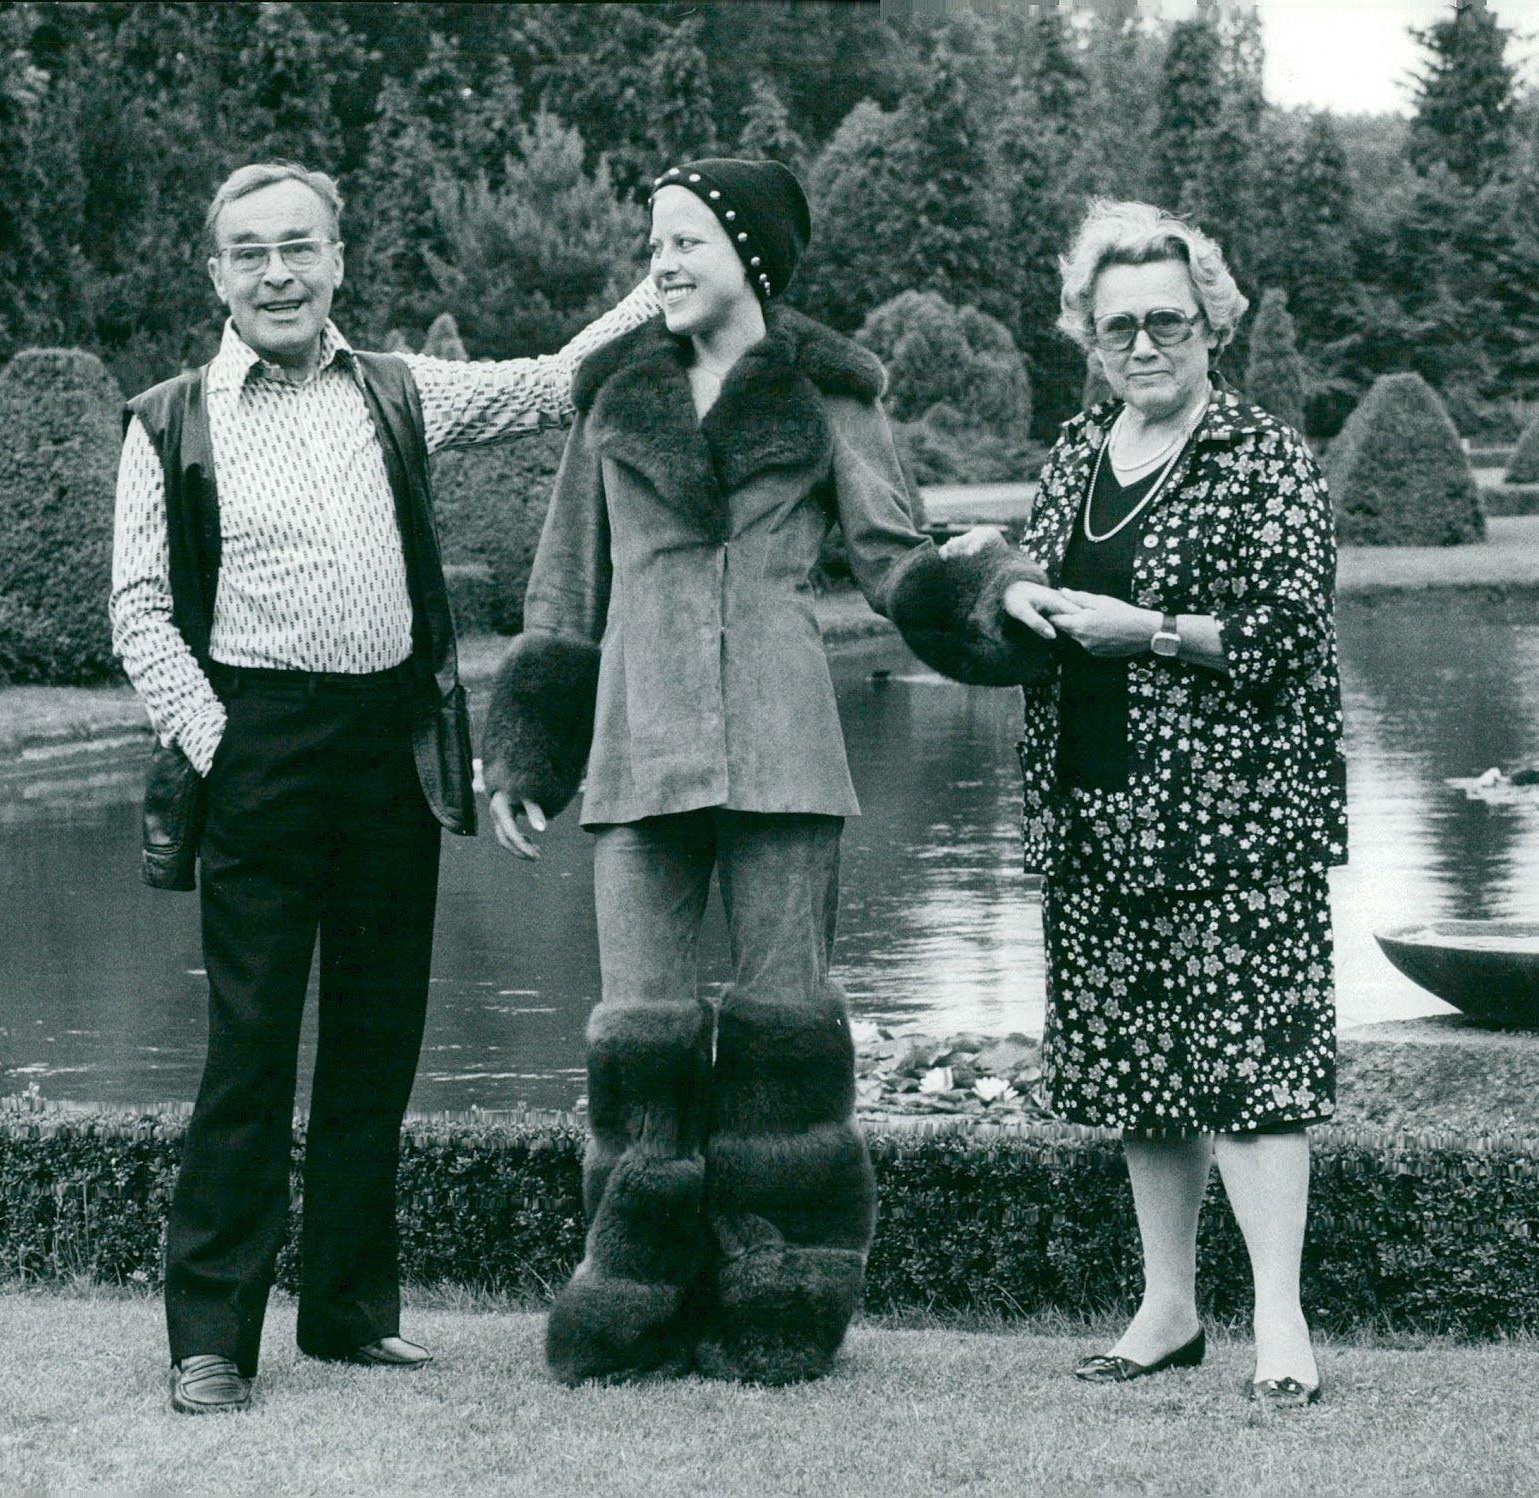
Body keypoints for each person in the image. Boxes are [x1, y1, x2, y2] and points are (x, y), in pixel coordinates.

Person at [477, 158, 1047, 1386]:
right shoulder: (609, 399)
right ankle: (634, 1293)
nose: (661, 264)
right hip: (636, 749)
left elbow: (898, 562)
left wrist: (999, 597)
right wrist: (527, 748)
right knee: (639, 1033)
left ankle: (782, 1292)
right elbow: (563, 592)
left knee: (786, 1034)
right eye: (654, 243)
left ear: (749, 252)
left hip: (786, 747)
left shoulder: (832, 397)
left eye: (684, 241)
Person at [110, 160, 659, 1415]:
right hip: (254, 746)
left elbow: (546, 382)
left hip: (388, 754)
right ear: (215, 276)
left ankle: (350, 1314)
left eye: (297, 247)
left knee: (375, 1045)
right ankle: (210, 1339)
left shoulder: (400, 392)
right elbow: (140, 612)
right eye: (248, 253)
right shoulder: (167, 418)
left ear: (338, 260)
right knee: (247, 1052)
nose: (276, 273)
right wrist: (218, 745)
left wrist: (661, 282)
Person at [946, 198, 1346, 1407]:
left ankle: (1279, 1322)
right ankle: (1166, 1310)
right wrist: (1006, 581)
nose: (1142, 346)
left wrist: (1151, 632)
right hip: (1095, 805)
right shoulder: (1074, 454)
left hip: (1236, 816)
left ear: (1211, 321)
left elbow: (1286, 632)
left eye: (1165, 320)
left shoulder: (1263, 455)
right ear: (1085, 333)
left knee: (1253, 1069)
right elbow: (1043, 587)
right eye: (1114, 325)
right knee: (1140, 1071)